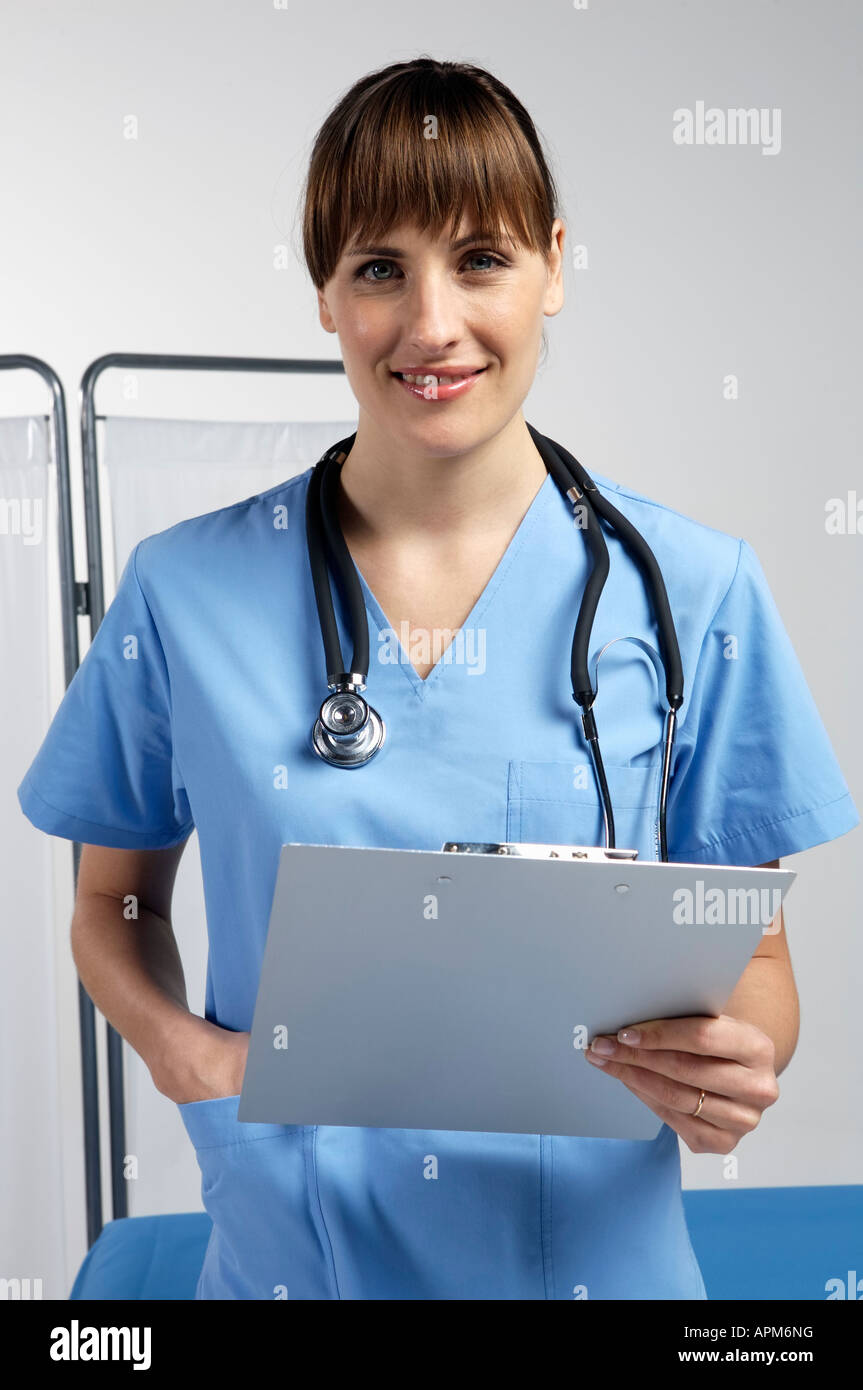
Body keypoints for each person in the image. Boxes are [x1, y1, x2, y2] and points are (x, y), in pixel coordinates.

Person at [18, 56, 859, 1301]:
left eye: (479, 257)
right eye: (377, 268)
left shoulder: (693, 590)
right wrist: (185, 1053)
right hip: (289, 1266)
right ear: (323, 294)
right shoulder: (182, 592)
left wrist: (736, 1061)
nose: (429, 324)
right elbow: (116, 907)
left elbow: (754, 962)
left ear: (554, 264)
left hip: (595, 1272)